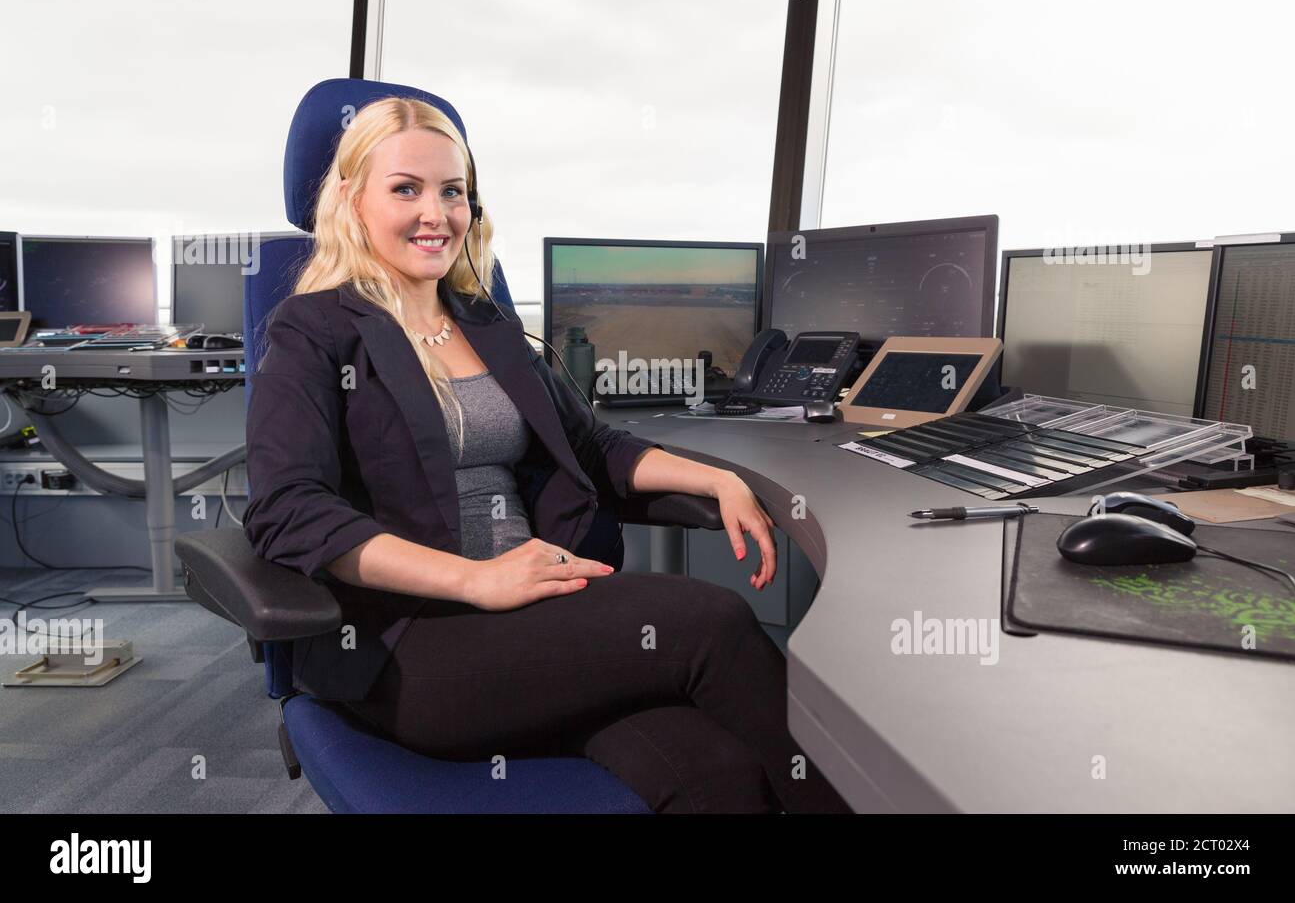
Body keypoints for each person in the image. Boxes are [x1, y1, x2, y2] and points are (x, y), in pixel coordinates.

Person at [243, 95, 851, 813]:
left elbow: (590, 446)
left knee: (717, 777)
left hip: (540, 628)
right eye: (405, 188)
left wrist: (716, 477)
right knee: (710, 625)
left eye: (453, 192)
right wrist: (474, 580)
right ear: (351, 198)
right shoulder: (313, 330)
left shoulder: (486, 321)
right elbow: (288, 511)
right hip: (413, 645)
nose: (435, 214)